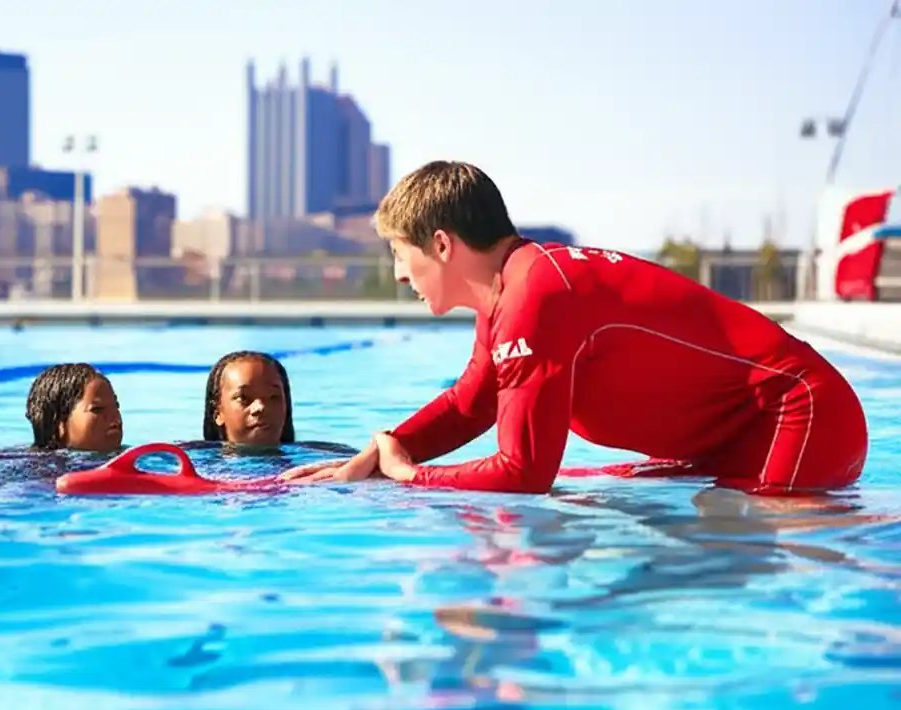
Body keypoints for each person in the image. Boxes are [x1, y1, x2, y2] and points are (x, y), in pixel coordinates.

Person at [282, 161, 868, 496]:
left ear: (441, 244)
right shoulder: (514, 289)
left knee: (773, 574)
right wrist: (384, 449)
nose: (397, 273)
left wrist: (410, 477)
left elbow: (524, 473)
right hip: (732, 439)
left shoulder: (537, 296)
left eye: (397, 252)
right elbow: (470, 404)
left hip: (800, 417)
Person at [202, 351, 294, 447]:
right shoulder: (191, 458)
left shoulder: (309, 458)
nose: (260, 407)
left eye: (273, 396)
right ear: (217, 413)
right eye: (243, 397)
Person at [26, 363, 124, 452]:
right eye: (97, 409)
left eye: (116, 406)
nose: (116, 418)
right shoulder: (44, 468)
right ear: (60, 427)